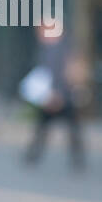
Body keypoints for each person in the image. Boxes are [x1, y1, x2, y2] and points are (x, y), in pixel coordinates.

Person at [21, 18, 87, 170]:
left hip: (60, 97)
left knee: (68, 130)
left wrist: (57, 95)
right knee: (46, 129)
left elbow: (63, 74)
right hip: (52, 97)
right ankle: (33, 156)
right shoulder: (51, 48)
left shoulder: (59, 50)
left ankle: (76, 160)